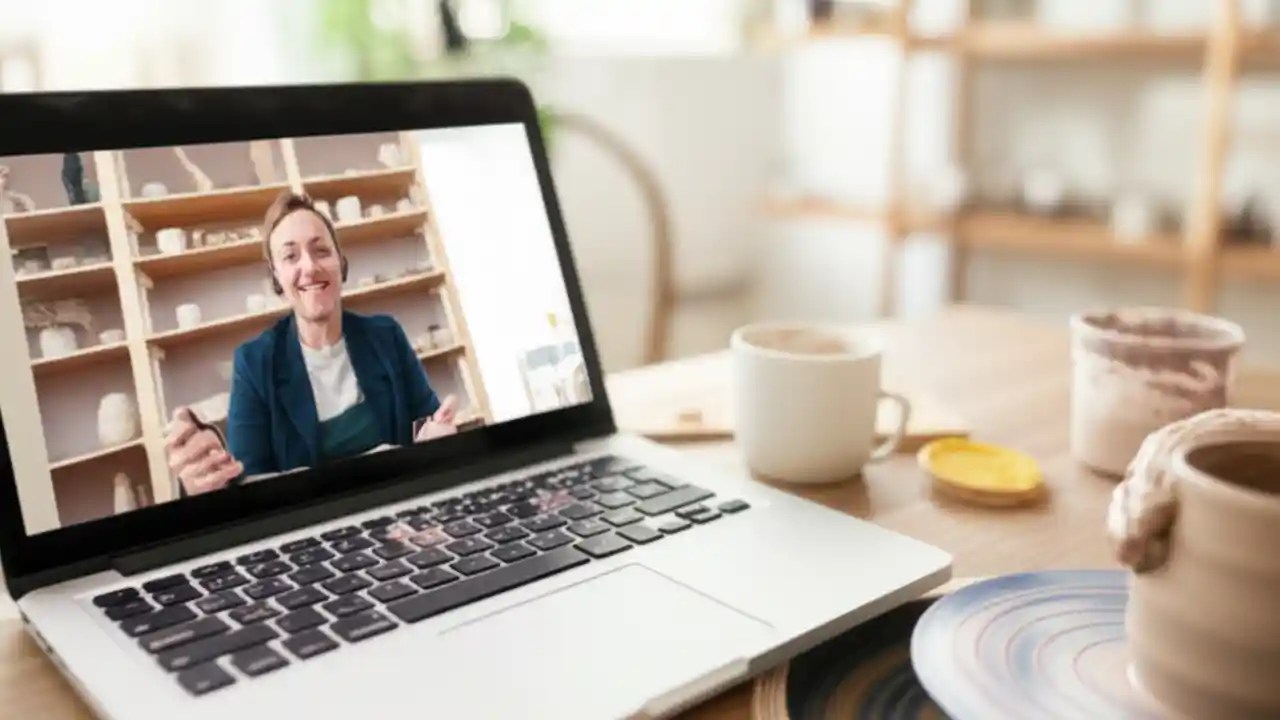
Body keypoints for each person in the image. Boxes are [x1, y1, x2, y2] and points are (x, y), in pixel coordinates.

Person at [165, 191, 458, 495]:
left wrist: (436, 436)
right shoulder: (254, 362)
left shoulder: (386, 334)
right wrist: (207, 481)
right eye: (290, 256)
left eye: (321, 251)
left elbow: (425, 420)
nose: (309, 267)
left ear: (340, 263)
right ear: (277, 278)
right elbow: (247, 482)